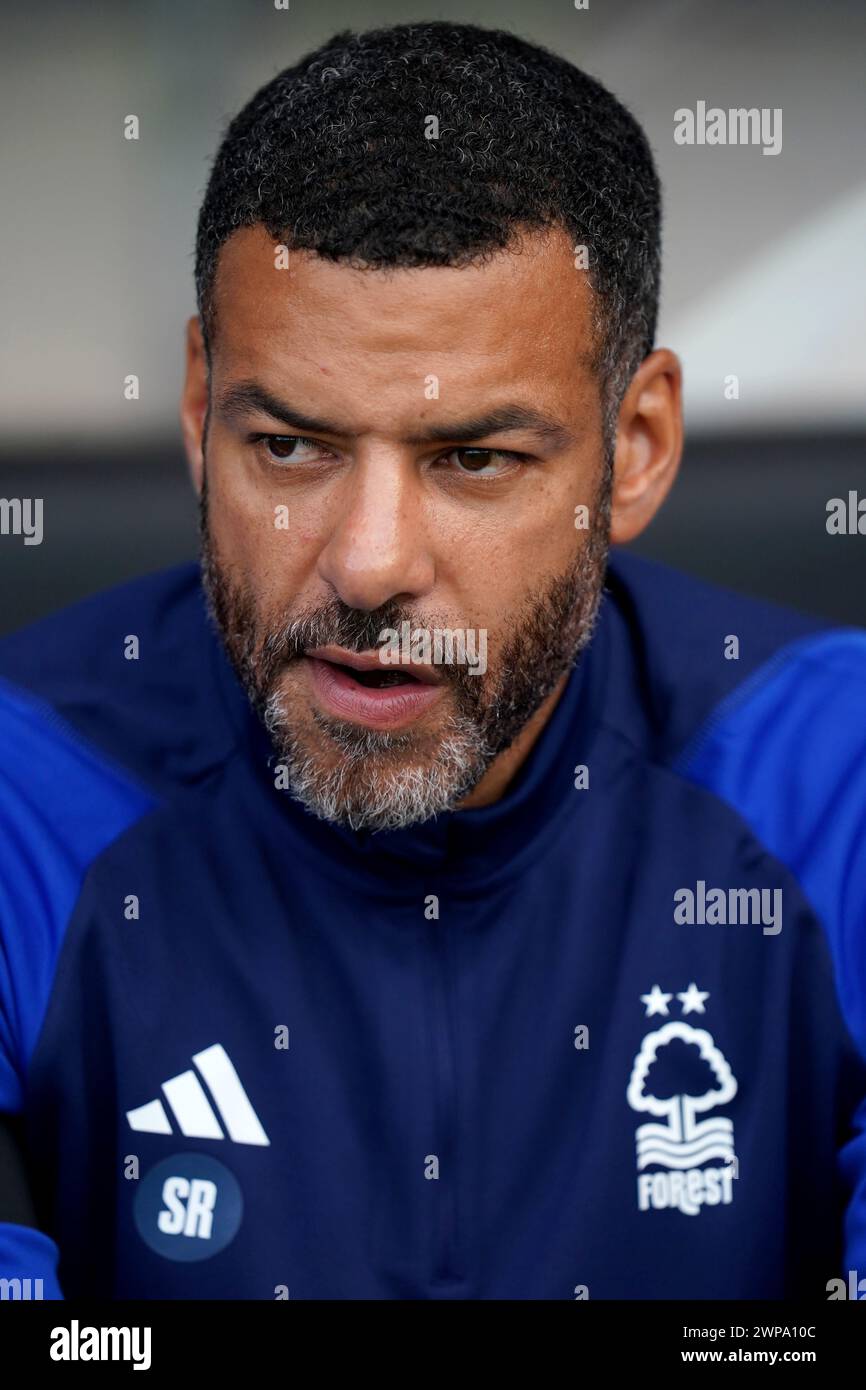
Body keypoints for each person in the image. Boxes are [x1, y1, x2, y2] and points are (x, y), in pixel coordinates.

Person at [1, 20, 864, 1300]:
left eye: (472, 459)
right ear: (199, 410)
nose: (366, 563)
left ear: (633, 449)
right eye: (290, 445)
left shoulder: (825, 776)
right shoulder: (24, 797)